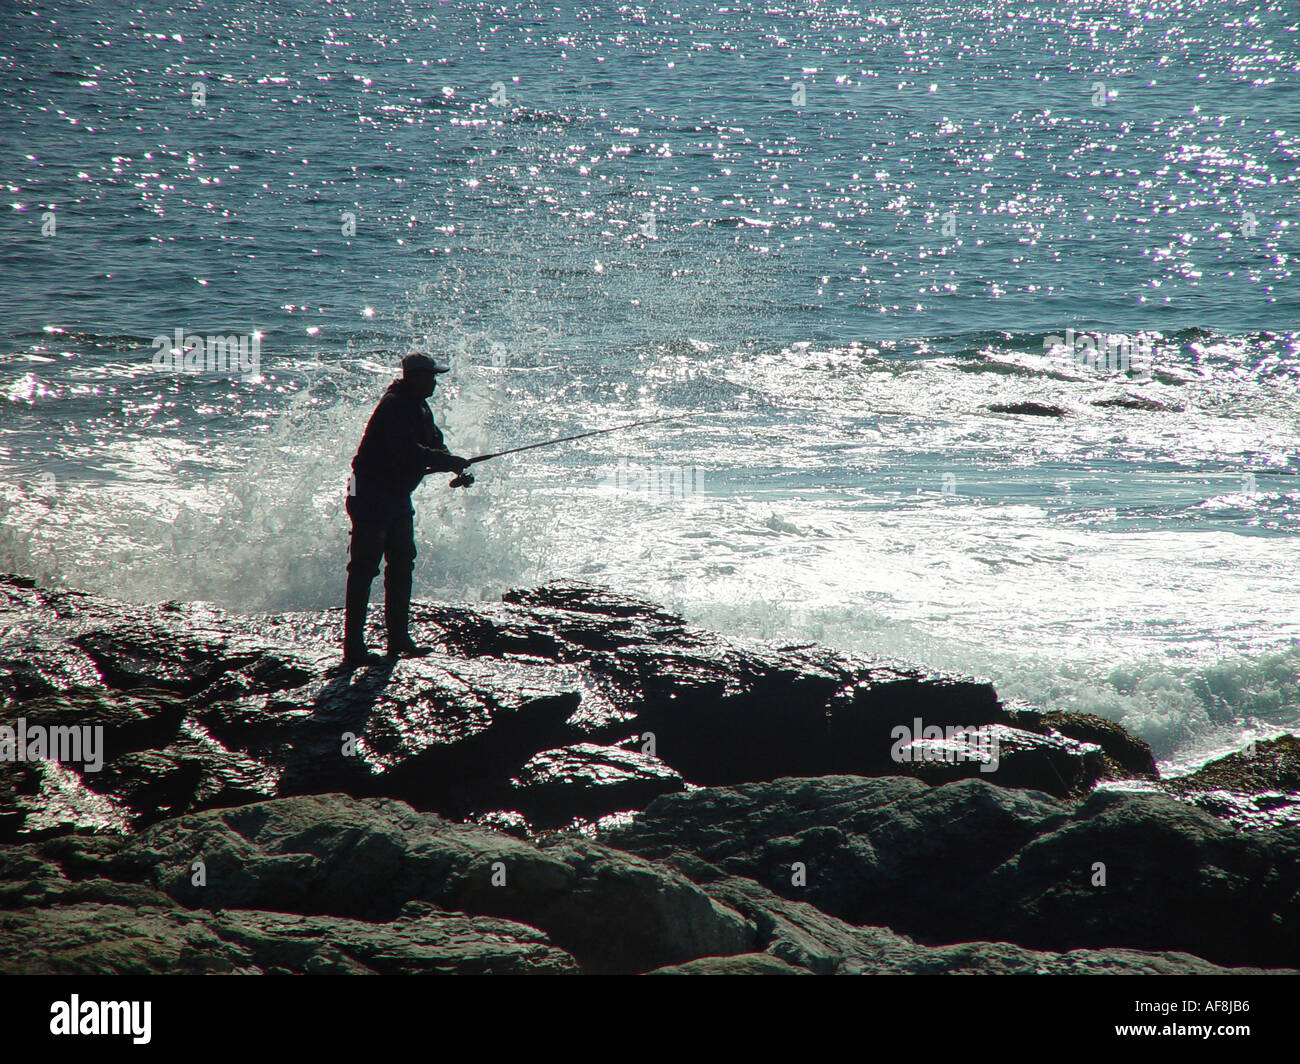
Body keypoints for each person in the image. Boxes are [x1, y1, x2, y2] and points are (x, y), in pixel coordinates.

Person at [342, 352, 471, 666]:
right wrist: (444, 461)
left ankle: (398, 639)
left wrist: (453, 464)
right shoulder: (395, 405)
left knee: (402, 564)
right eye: (431, 376)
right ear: (414, 377)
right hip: (367, 490)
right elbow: (407, 452)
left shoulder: (419, 406)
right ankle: (353, 647)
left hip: (396, 494)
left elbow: (435, 446)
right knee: (364, 568)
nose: (436, 382)